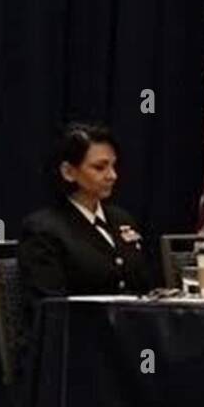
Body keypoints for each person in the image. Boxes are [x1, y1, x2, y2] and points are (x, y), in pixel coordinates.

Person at [18, 124, 152, 320]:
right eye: (100, 167)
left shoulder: (122, 219)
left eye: (113, 166)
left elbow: (144, 287)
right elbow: (51, 308)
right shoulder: (45, 229)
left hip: (133, 330)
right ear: (68, 172)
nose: (112, 176)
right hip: (81, 333)